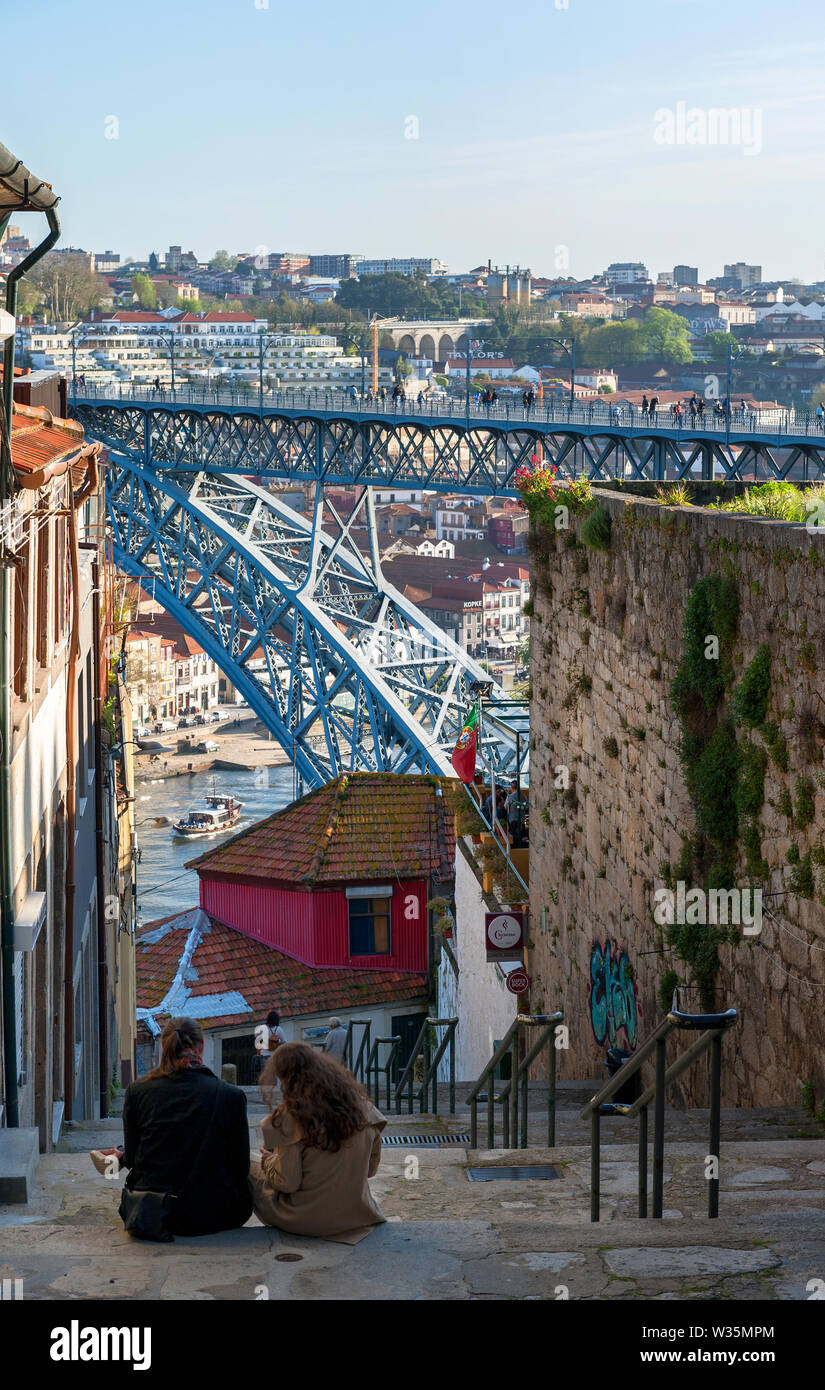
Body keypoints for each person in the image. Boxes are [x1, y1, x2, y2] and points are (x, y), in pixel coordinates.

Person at [91, 1016, 252, 1240]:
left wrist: (123, 1155)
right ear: (201, 1046)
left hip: (153, 1213)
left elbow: (137, 1161)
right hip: (217, 1214)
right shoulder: (232, 1096)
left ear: (164, 1046)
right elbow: (240, 1167)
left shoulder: (137, 1092)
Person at [250, 1043, 387, 1242]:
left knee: (246, 1163)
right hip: (357, 1216)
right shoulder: (364, 1109)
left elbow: (287, 1183)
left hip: (305, 1220)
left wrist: (268, 1161)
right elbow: (370, 1170)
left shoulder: (291, 1117)